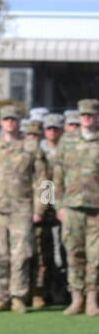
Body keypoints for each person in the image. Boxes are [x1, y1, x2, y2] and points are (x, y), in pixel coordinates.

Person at [0, 105, 47, 313]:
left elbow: (44, 181)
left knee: (21, 256)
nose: (10, 123)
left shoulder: (31, 147)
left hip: (22, 209)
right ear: (1, 122)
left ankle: (18, 296)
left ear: (20, 122)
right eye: (6, 119)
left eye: (14, 119)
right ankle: (0, 297)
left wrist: (41, 209)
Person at [54, 99, 99, 315]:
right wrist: (54, 205)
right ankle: (76, 297)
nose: (87, 118)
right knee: (73, 253)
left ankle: (92, 298)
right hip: (71, 206)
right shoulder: (67, 140)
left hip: (96, 208)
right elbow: (55, 174)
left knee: (96, 255)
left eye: (91, 114)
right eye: (83, 115)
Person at [36, 113, 68, 304]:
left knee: (63, 252)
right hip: (45, 208)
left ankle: (62, 290)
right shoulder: (39, 151)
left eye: (56, 128)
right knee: (44, 253)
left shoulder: (66, 149)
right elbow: (42, 182)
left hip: (64, 207)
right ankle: (44, 290)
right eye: (49, 128)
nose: (52, 132)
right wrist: (44, 206)